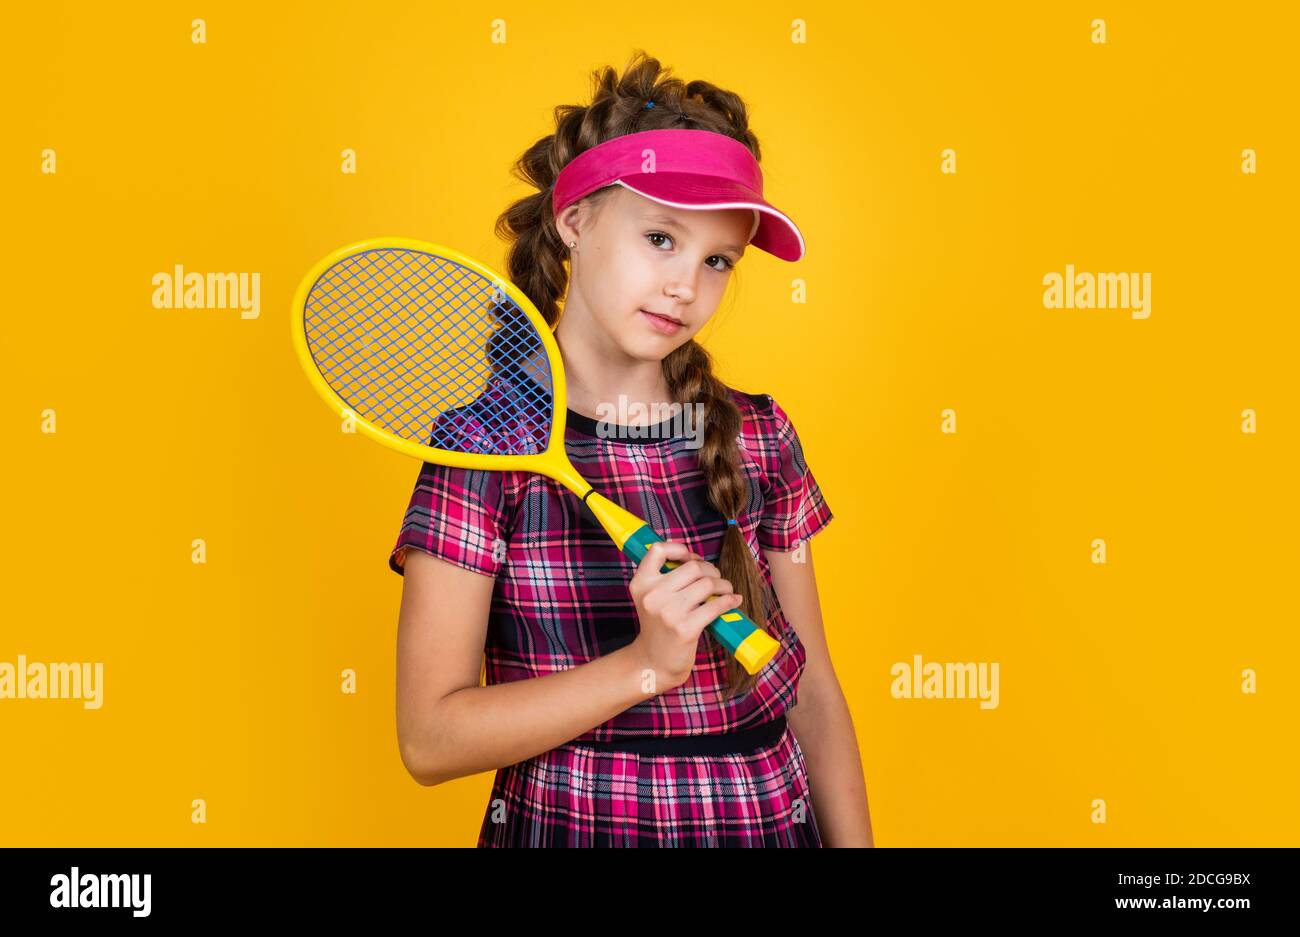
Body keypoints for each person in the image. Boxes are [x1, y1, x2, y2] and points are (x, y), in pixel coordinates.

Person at [389, 51, 873, 847]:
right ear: (573, 220)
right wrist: (644, 665)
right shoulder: (487, 448)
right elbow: (429, 739)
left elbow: (812, 692)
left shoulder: (759, 434)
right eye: (660, 238)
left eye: (718, 259)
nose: (688, 284)